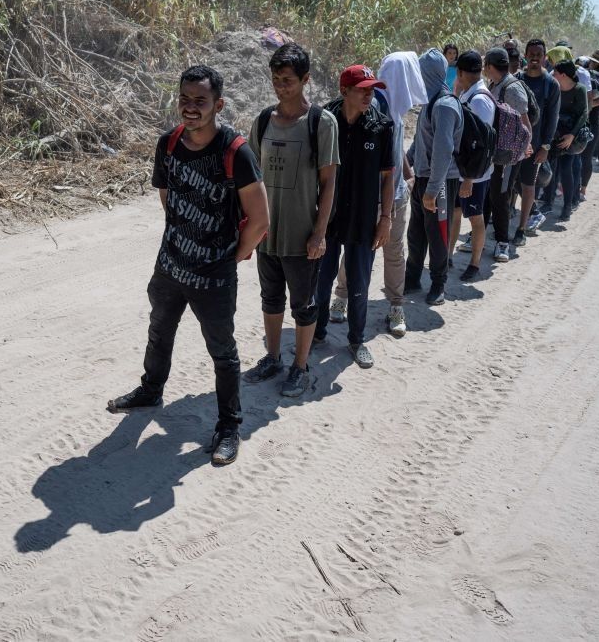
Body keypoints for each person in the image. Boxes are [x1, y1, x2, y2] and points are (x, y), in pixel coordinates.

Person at [109, 65, 269, 466]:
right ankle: (151, 390)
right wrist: (184, 239)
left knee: (222, 351)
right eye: (185, 99)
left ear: (219, 104)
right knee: (159, 331)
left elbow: (261, 219)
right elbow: (167, 197)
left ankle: (229, 426)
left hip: (214, 276)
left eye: (200, 101)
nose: (191, 108)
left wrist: (228, 255)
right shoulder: (169, 143)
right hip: (170, 265)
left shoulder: (235, 152)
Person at [244, 43, 338, 397]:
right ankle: (272, 358)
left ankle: (300, 366)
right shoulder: (263, 121)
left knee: (303, 304)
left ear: (305, 80)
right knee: (271, 299)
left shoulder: (320, 123)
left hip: (303, 236)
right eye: (276, 79)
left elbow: (329, 184)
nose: (281, 86)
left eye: (288, 80)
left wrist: (320, 233)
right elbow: (249, 177)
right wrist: (248, 228)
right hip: (268, 233)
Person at [314, 65, 394, 368]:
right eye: (362, 88)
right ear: (344, 90)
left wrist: (385, 218)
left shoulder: (381, 126)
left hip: (363, 219)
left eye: (371, 88)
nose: (369, 94)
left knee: (359, 284)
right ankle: (317, 334)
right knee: (321, 282)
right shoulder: (324, 121)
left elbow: (388, 177)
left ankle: (357, 339)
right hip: (328, 217)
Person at [406, 48, 462, 306]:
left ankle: (439, 284)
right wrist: (406, 163)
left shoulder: (445, 106)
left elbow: (443, 151)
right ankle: (412, 278)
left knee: (438, 236)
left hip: (438, 183)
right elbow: (420, 142)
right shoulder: (430, 102)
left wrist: (432, 189)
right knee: (415, 233)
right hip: (422, 180)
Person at [447, 51, 495, 282]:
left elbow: (480, 144)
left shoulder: (480, 100)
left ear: (461, 72)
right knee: (456, 212)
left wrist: (469, 178)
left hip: (474, 174)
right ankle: (448, 256)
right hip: (463, 169)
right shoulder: (469, 94)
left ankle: (474, 264)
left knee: (475, 218)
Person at [483, 47, 531, 263]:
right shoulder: (494, 84)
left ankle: (503, 243)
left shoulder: (512, 89)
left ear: (491, 67)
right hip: (495, 154)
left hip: (508, 156)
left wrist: (519, 153)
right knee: (488, 194)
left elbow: (526, 124)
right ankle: (480, 236)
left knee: (501, 197)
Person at [515, 39, 560, 244]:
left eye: (538, 54)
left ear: (544, 57)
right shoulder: (517, 79)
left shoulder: (551, 84)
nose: (534, 57)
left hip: (535, 146)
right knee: (506, 187)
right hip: (512, 144)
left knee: (528, 186)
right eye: (531, 53)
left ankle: (521, 230)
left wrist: (546, 146)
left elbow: (553, 117)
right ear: (525, 54)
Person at [545, 60, 589, 222]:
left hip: (571, 137)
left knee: (565, 169)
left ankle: (567, 206)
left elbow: (584, 114)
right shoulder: (554, 87)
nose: (553, 74)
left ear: (563, 74)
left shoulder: (579, 90)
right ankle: (547, 202)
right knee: (550, 168)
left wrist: (571, 136)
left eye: (555, 72)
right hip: (554, 134)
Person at [577, 54, 599, 202]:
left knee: (585, 157)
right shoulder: (594, 77)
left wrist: (584, 105)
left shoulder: (598, 78)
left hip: (590, 123)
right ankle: (578, 188)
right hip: (589, 123)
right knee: (582, 157)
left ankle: (582, 189)